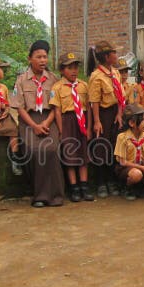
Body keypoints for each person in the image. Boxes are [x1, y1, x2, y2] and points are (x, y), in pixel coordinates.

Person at [11, 40, 65, 208]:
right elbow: (19, 107)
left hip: (49, 119)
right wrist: (34, 126)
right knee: (34, 150)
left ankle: (56, 195)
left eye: (45, 57)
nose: (43, 60)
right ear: (30, 59)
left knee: (51, 149)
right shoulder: (21, 80)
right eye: (38, 57)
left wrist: (46, 123)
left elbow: (56, 106)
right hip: (29, 120)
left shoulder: (53, 79)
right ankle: (40, 195)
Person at [50, 51, 93, 202]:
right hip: (67, 122)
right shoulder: (57, 88)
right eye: (69, 68)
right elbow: (57, 111)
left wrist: (89, 128)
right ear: (62, 70)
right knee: (70, 156)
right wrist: (61, 131)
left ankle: (84, 186)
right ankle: (74, 187)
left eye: (76, 67)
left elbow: (88, 108)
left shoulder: (84, 86)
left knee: (83, 156)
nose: (74, 71)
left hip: (82, 122)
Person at [87, 40, 127, 198]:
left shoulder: (115, 72)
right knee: (101, 147)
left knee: (114, 147)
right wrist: (97, 121)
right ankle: (101, 182)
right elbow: (94, 101)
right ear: (106, 57)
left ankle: (112, 180)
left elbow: (120, 96)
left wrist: (119, 113)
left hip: (115, 113)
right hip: (103, 115)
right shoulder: (96, 76)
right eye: (114, 53)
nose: (116, 55)